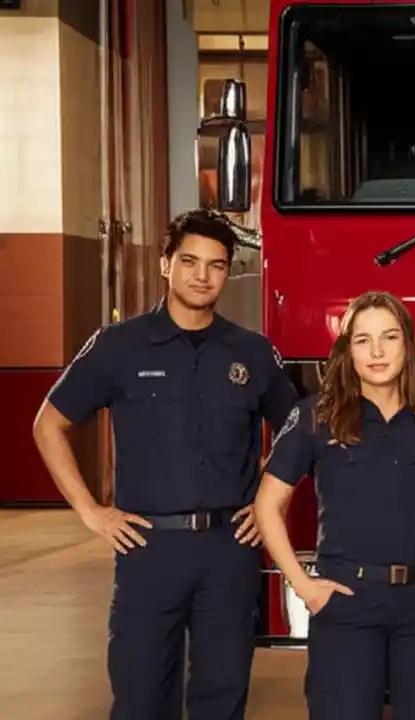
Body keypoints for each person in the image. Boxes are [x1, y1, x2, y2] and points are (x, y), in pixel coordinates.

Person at [32, 209, 298, 719]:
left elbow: (299, 433)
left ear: (228, 272)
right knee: (139, 695)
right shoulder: (119, 347)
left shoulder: (253, 352)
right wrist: (91, 511)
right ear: (165, 266)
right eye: (190, 262)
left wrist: (268, 498)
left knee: (222, 694)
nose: (203, 275)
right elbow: (49, 424)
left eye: (216, 265)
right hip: (149, 547)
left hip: (230, 550)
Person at [255, 291, 415, 719]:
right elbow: (267, 505)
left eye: (389, 338)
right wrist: (304, 587)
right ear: (346, 350)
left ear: (407, 345)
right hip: (346, 603)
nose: (377, 352)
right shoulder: (318, 416)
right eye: (362, 340)